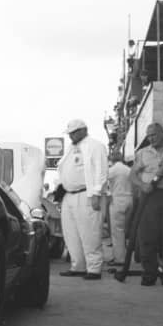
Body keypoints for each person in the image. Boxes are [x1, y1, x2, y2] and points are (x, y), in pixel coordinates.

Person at [56, 119, 109, 280]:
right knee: (71, 234)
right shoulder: (71, 149)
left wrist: (97, 193)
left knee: (90, 233)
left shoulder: (95, 146)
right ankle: (78, 265)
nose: (71, 136)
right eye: (70, 133)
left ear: (83, 130)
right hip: (69, 195)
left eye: (74, 133)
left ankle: (94, 268)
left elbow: (101, 171)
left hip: (87, 194)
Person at [128, 122, 163, 286]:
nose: (151, 138)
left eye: (154, 135)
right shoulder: (142, 153)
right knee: (147, 237)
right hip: (149, 198)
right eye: (149, 136)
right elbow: (132, 176)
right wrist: (142, 184)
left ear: (162, 133)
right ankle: (149, 274)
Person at [106, 151, 134, 266]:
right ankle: (125, 257)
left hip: (118, 200)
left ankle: (119, 259)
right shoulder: (128, 169)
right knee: (126, 230)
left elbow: (103, 181)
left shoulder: (112, 170)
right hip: (130, 199)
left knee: (117, 231)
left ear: (112, 159)